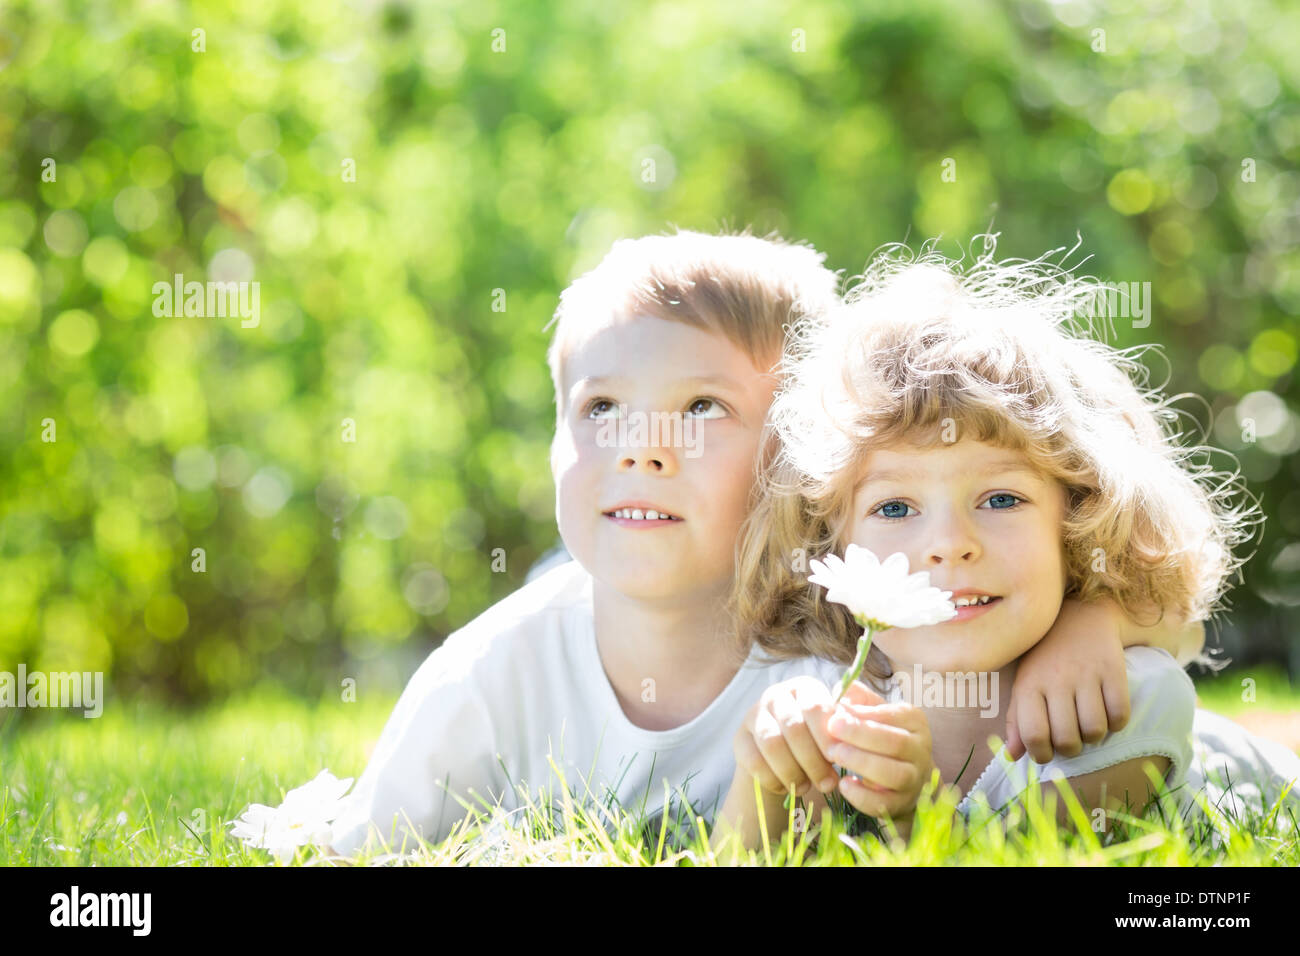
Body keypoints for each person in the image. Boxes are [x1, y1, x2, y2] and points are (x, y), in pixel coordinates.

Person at [274, 229, 1197, 860]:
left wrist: (1096, 622)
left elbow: (1138, 613)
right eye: (601, 408)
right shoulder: (492, 672)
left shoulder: (837, 633)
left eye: (702, 408)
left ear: (796, 459)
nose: (641, 447)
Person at [717, 238, 1299, 847]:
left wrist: (914, 816)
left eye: (1000, 499)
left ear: (1078, 516)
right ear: (831, 541)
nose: (950, 544)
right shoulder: (822, 686)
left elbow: (1017, 856)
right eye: (893, 507)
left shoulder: (1130, 701)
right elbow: (733, 858)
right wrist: (768, 778)